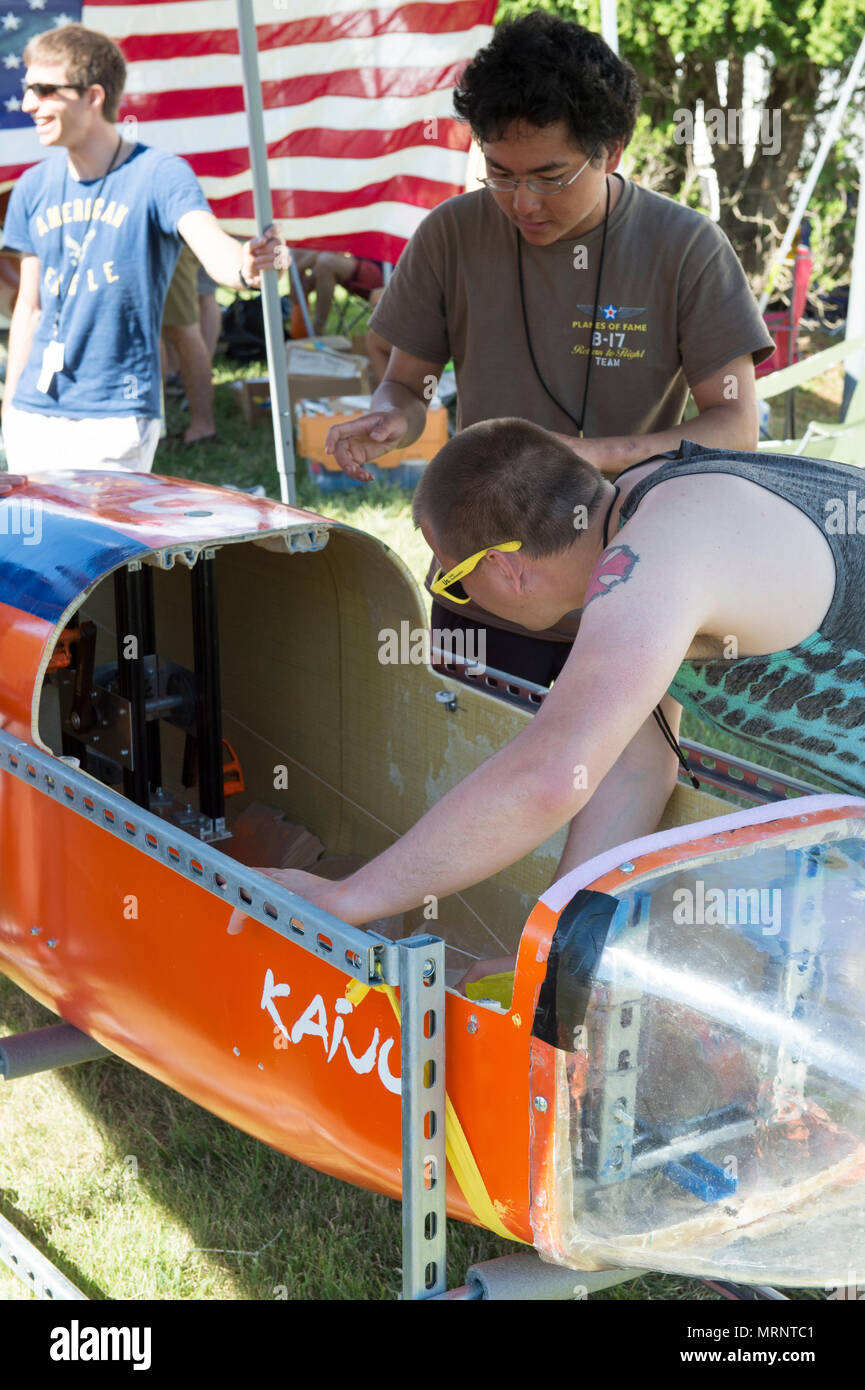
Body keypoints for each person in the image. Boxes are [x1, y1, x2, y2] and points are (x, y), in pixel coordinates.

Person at [234, 421, 865, 968]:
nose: (455, 597)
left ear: (506, 569)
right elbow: (630, 768)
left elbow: (551, 774)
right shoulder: (641, 513)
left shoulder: (651, 565)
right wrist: (553, 955)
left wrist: (347, 898)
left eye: (453, 581)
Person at [324, 13, 774, 686]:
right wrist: (390, 416)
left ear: (611, 150)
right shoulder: (450, 234)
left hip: (629, 585)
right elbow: (407, 384)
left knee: (616, 777)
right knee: (468, 758)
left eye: (549, 176)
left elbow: (733, 428)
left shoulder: (683, 247)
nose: (522, 202)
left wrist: (580, 457)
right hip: (482, 582)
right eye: (499, 174)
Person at [1, 23, 279, 472]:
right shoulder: (33, 185)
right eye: (28, 89)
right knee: (34, 543)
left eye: (45, 90)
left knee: (108, 543)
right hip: (35, 411)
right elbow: (29, 308)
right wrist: (11, 407)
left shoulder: (159, 173)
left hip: (116, 413)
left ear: (93, 97)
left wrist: (249, 264)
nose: (29, 103)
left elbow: (217, 250)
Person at [160, 243, 218, 447]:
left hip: (169, 238)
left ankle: (203, 427)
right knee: (153, 331)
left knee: (183, 328)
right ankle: (155, 430)